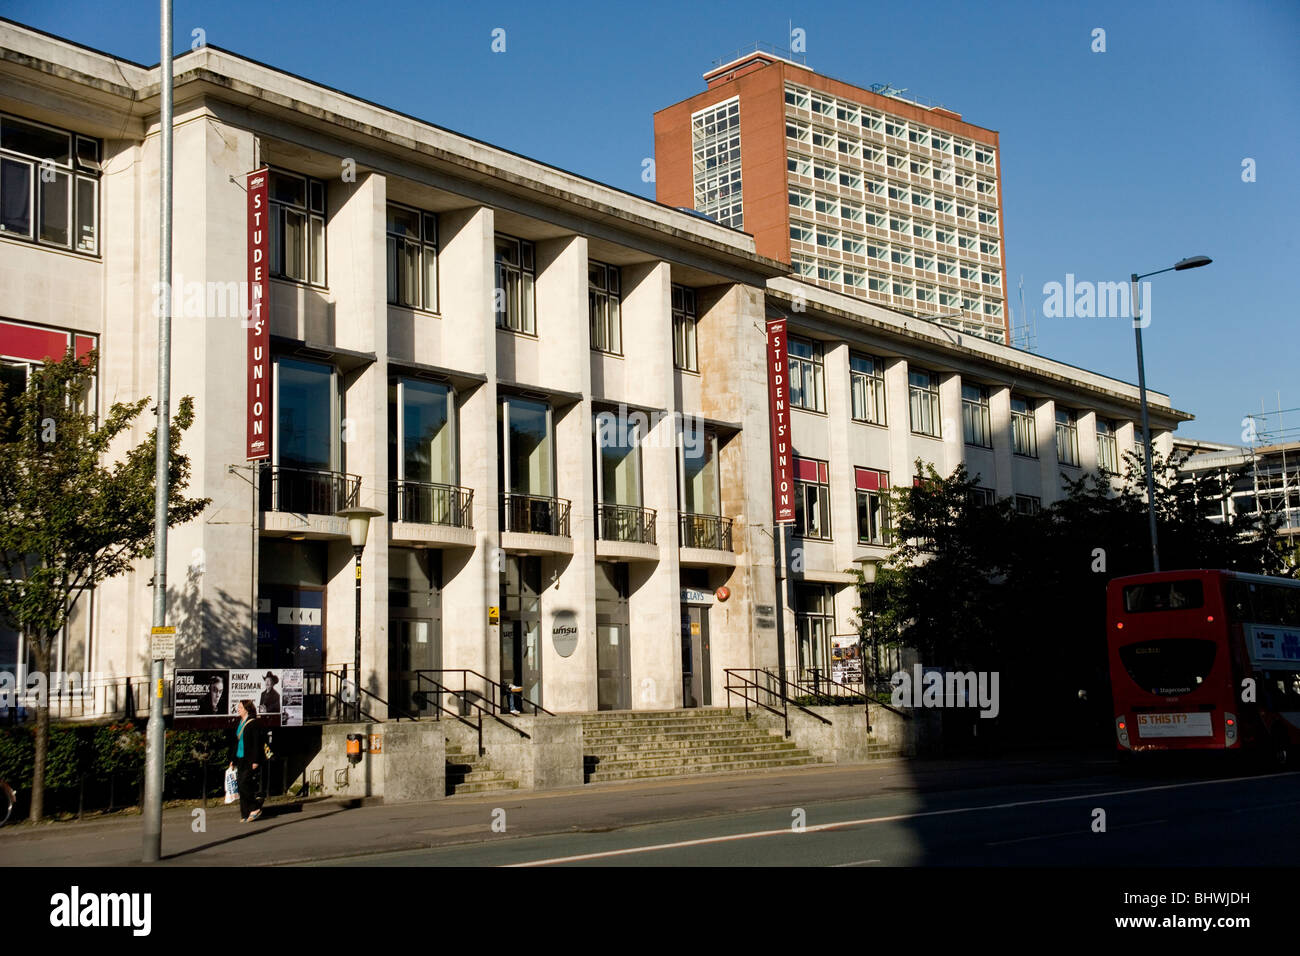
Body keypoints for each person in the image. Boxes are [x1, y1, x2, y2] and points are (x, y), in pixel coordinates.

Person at [228, 700, 265, 822]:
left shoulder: (253, 723)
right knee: (240, 784)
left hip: (250, 759)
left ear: (246, 709)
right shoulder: (240, 722)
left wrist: (256, 760)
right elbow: (236, 743)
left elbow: (256, 744)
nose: (238, 709)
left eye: (240, 707)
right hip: (240, 758)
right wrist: (233, 760)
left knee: (244, 783)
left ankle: (255, 807)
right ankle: (245, 813)